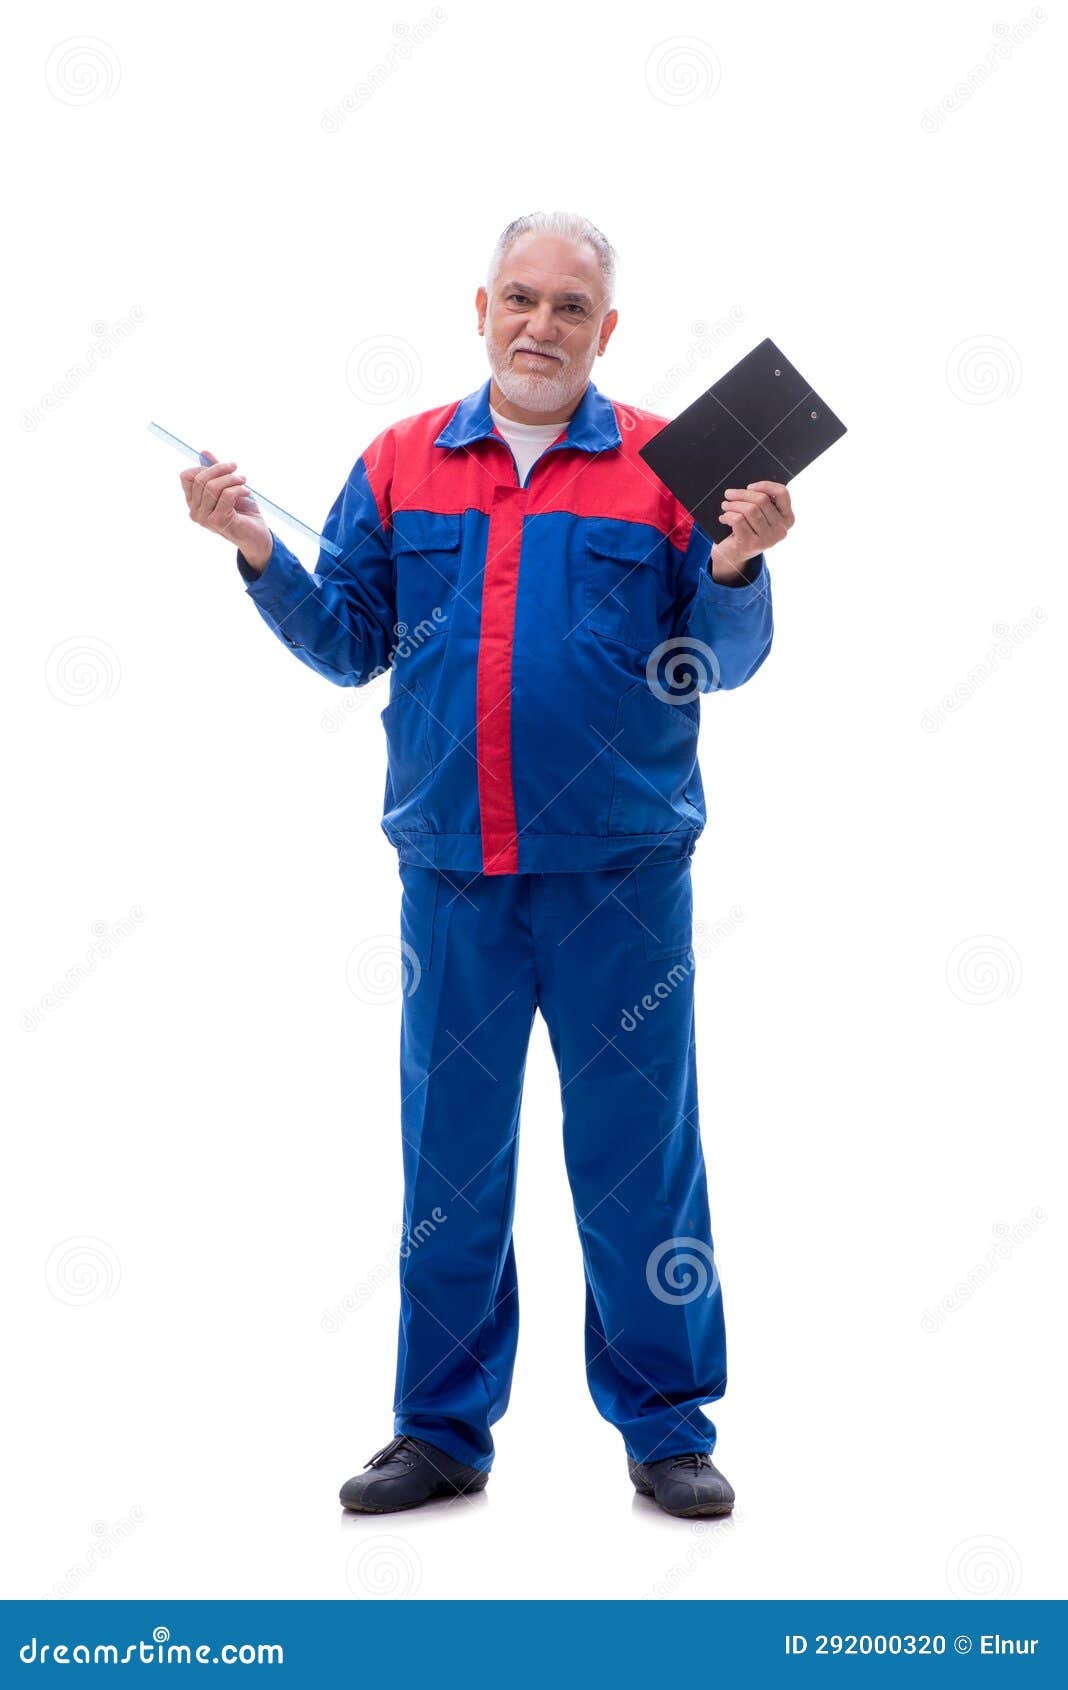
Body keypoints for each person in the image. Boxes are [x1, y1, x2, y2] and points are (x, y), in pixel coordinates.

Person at [180, 211, 794, 1520]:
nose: (541, 327)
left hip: (621, 878)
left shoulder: (668, 465)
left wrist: (736, 560)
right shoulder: (402, 462)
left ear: (607, 330)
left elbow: (726, 659)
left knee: (639, 1155)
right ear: (480, 306)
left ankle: (668, 1425)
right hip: (454, 875)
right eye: (521, 298)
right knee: (451, 1160)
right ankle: (441, 1428)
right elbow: (350, 640)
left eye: (572, 308)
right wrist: (255, 549)